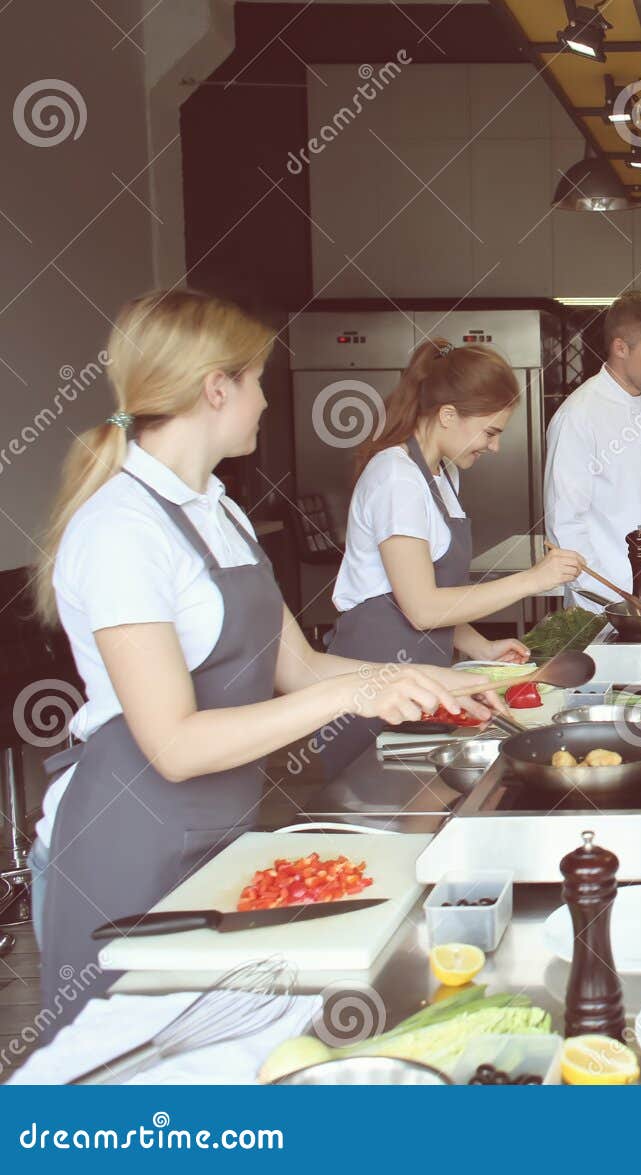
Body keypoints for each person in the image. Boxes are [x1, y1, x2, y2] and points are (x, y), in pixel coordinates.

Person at [28, 290, 500, 1039]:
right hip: (128, 845)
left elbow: (302, 668)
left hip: (219, 840)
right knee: (125, 1100)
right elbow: (175, 743)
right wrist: (365, 684)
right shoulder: (121, 528)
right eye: (255, 381)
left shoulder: (220, 509)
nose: (265, 402)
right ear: (217, 387)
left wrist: (440, 680)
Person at [317, 339, 584, 774]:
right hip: (374, 684)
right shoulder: (396, 479)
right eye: (491, 432)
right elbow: (422, 608)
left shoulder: (443, 476)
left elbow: (436, 591)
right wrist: (534, 580)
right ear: (447, 415)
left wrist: (482, 646)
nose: (494, 447)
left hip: (422, 685)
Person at [544, 290, 641, 611]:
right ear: (621, 347)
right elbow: (566, 528)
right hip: (605, 606)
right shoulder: (577, 416)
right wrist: (615, 603)